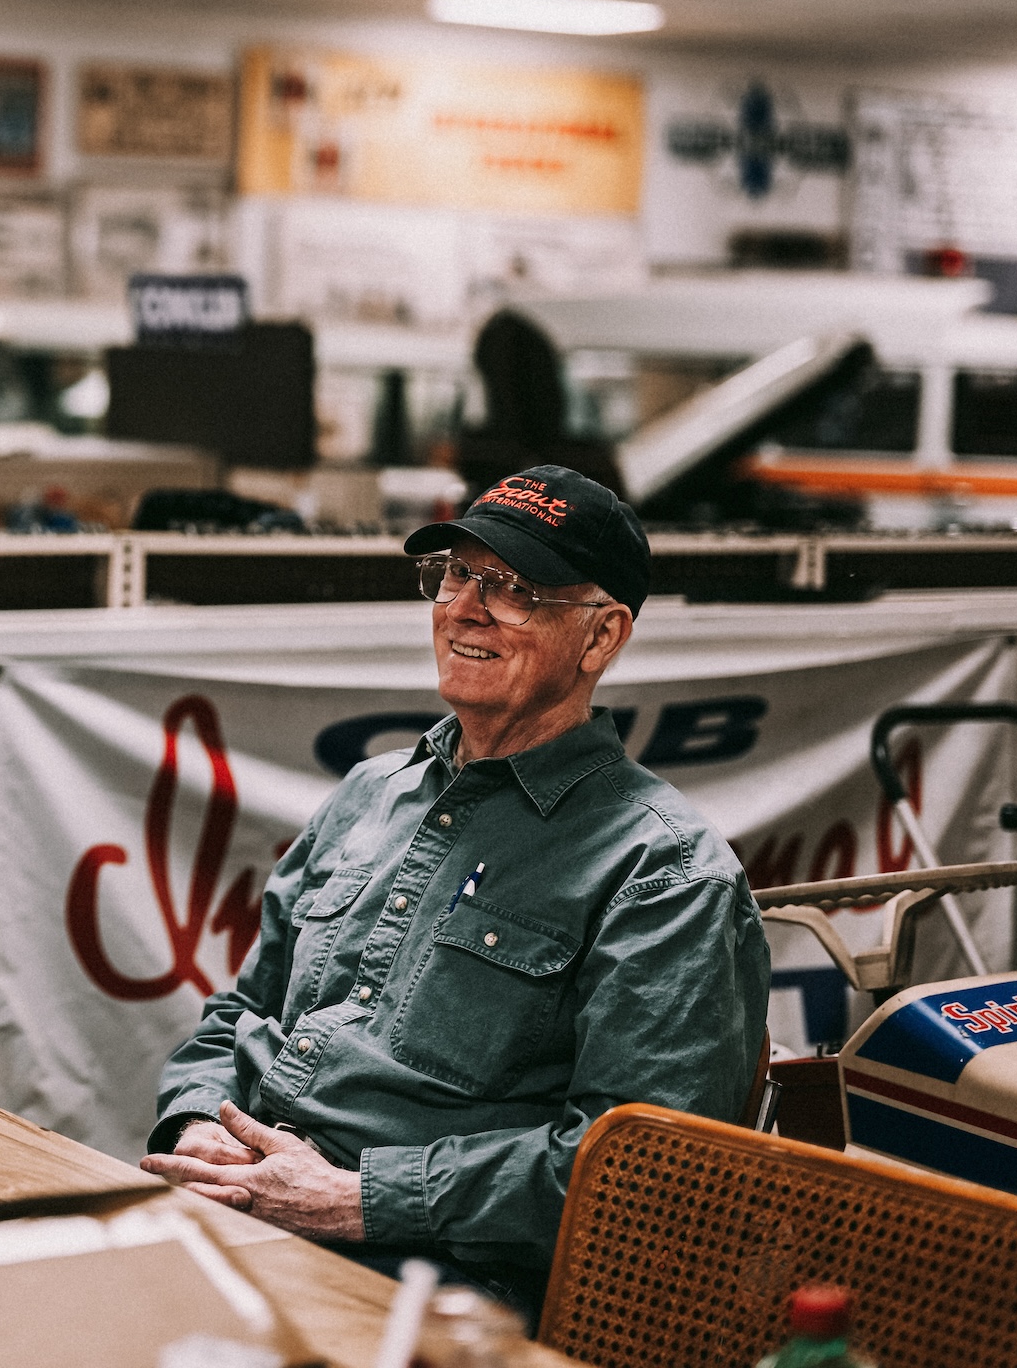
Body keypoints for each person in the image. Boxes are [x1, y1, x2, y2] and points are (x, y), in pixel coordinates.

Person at [141, 465, 769, 1321]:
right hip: (247, 1203)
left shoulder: (663, 871)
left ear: (601, 636)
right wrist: (194, 1123)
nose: (464, 608)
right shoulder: (371, 791)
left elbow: (648, 1174)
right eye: (455, 575)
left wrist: (358, 1198)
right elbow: (241, 1009)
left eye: (512, 589)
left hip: (441, 1275)